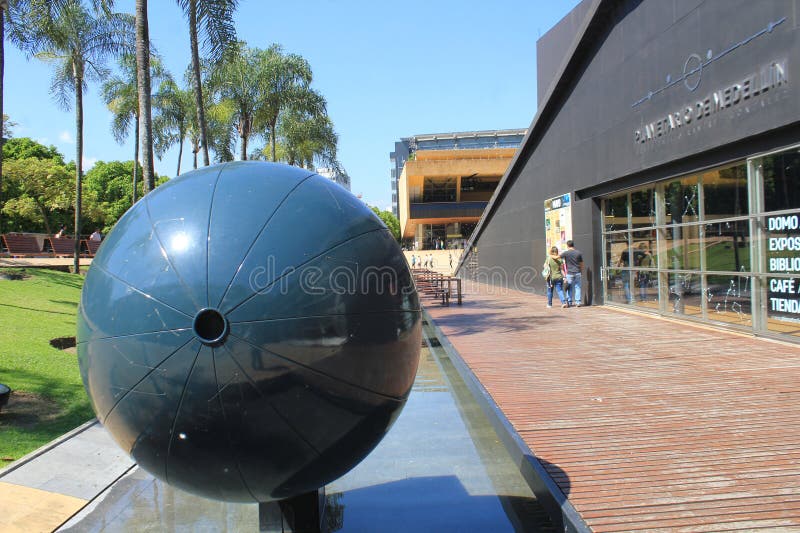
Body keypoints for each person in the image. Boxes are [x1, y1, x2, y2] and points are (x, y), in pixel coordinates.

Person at [560, 240, 584, 307]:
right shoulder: (578, 253)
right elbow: (581, 263)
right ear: (573, 245)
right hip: (577, 272)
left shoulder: (566, 253)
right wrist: (581, 271)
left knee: (569, 287)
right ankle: (578, 302)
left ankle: (569, 302)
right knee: (578, 287)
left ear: (567, 245)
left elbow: (558, 257)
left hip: (569, 273)